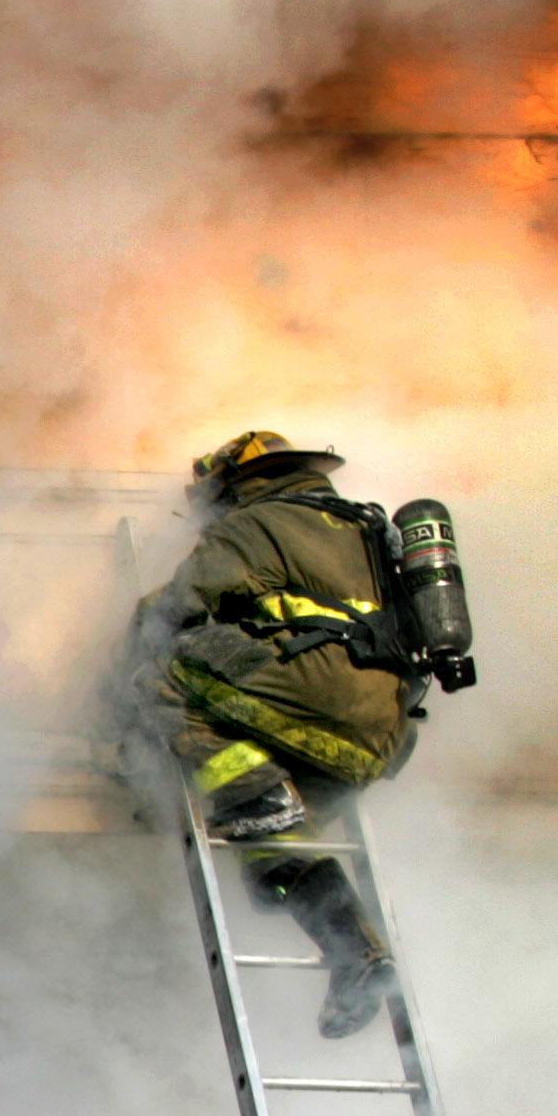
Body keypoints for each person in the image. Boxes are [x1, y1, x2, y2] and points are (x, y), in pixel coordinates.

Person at [123, 429, 450, 1038]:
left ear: (235, 487)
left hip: (309, 695)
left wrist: (109, 708)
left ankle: (260, 792)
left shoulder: (256, 522)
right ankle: (356, 953)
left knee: (160, 681)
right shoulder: (365, 528)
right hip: (378, 736)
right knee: (272, 848)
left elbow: (178, 606)